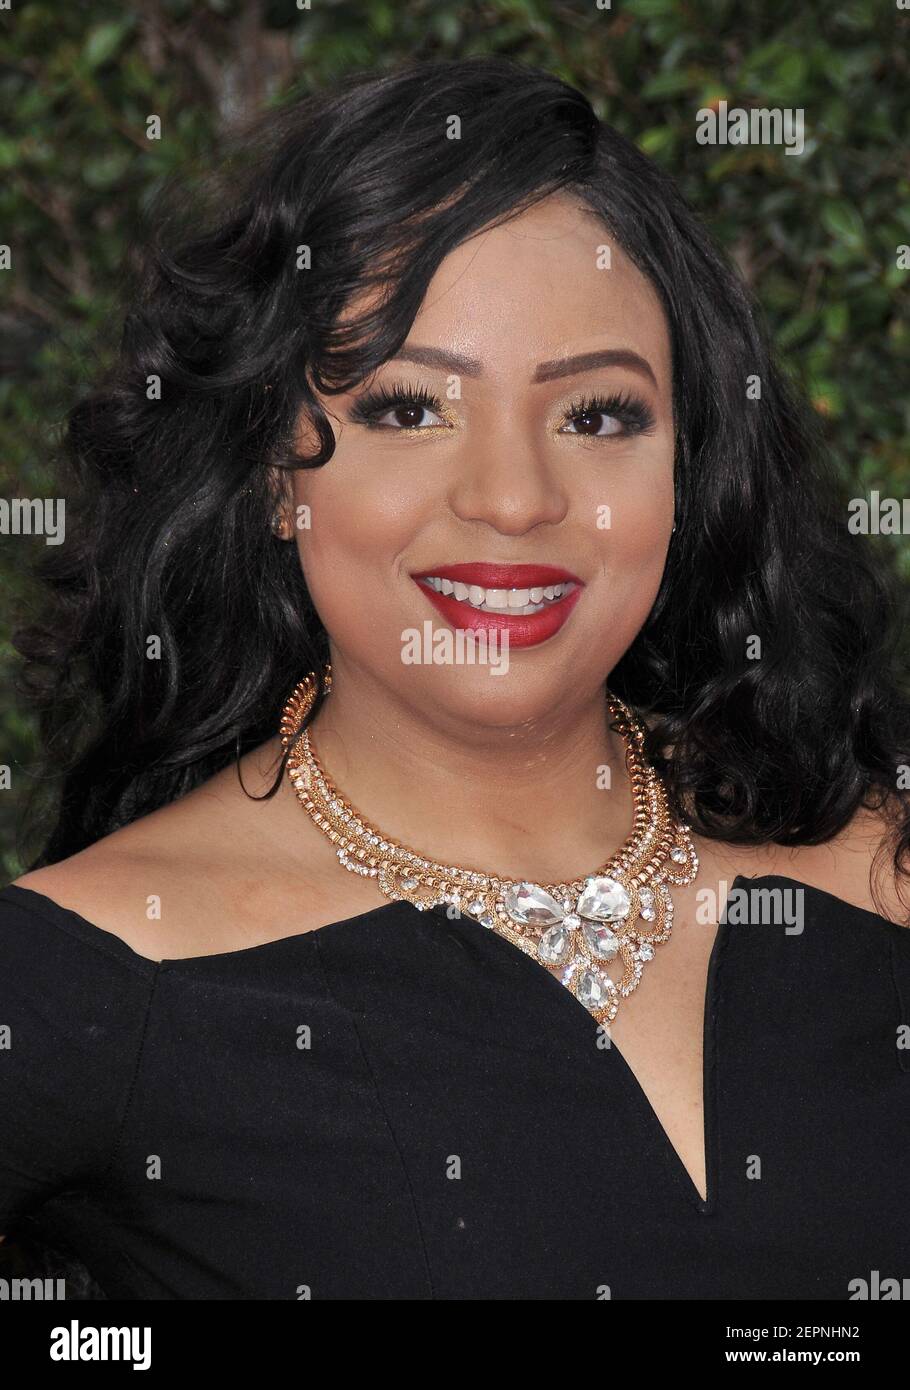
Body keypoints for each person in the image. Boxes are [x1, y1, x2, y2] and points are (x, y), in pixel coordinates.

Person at [1, 55, 908, 1301]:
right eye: (408, 408)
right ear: (274, 470)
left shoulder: (876, 870)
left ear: (689, 466)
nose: (513, 499)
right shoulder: (91, 977)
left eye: (596, 415)